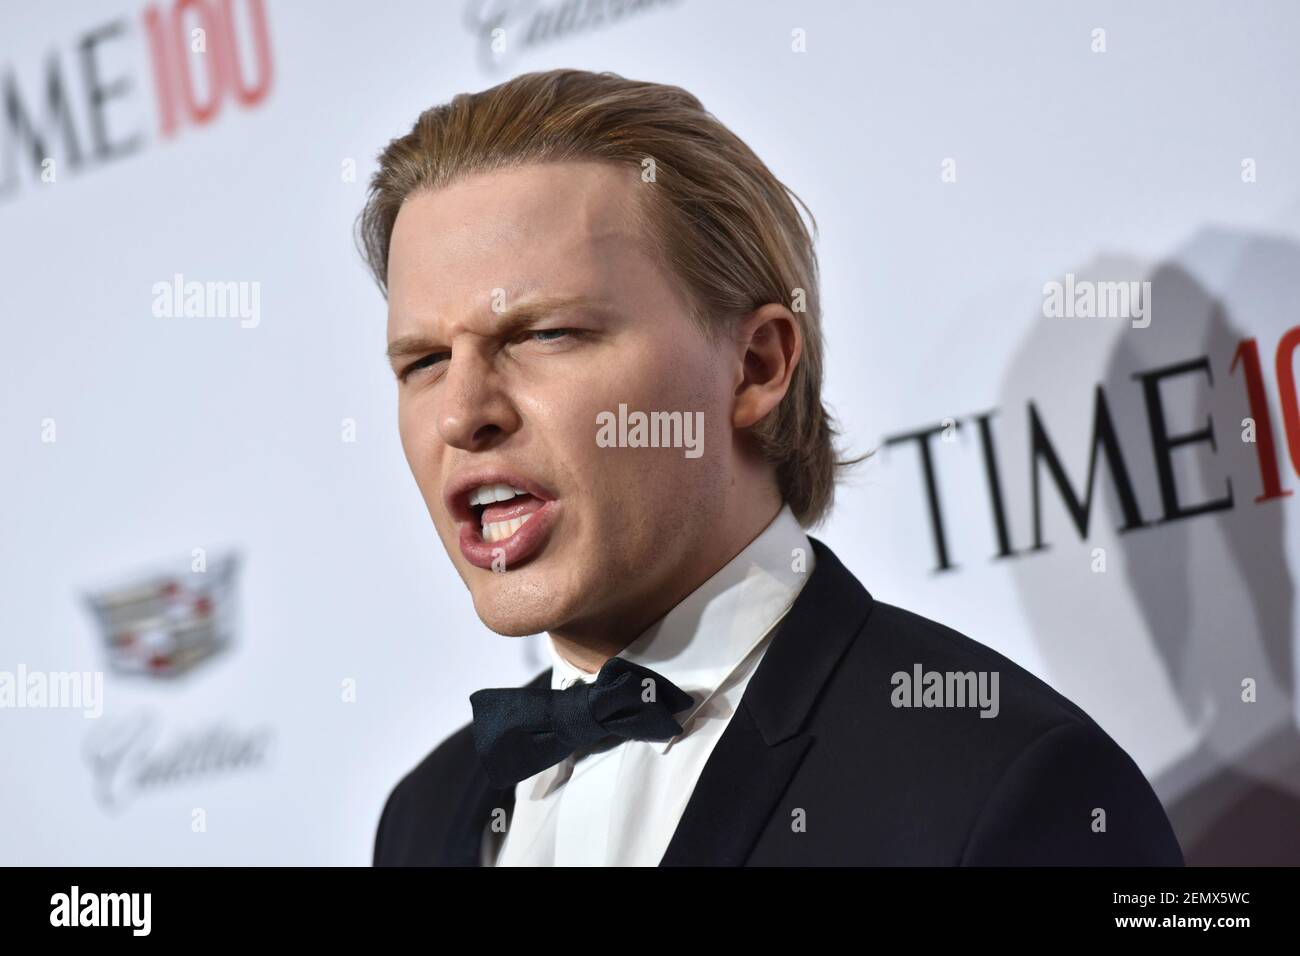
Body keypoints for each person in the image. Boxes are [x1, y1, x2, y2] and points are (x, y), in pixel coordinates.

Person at [359, 69, 1183, 866]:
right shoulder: (422, 817)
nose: (464, 414)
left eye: (544, 335)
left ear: (755, 366)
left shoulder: (1005, 784)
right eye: (423, 360)